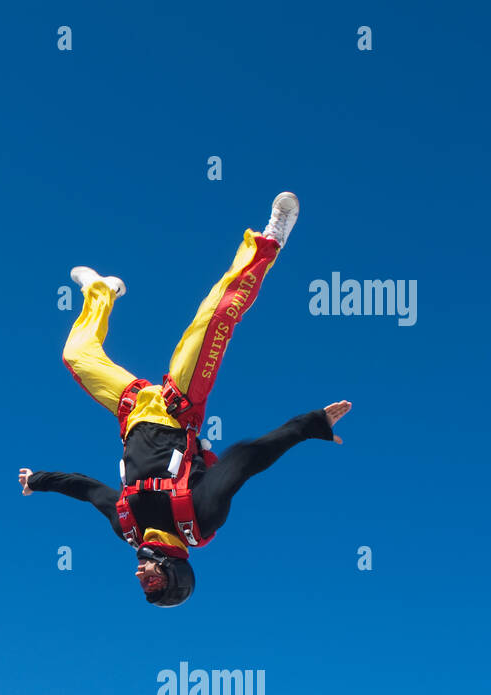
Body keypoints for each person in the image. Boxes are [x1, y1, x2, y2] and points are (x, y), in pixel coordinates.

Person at [18, 193, 351, 607]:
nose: (140, 574)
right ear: (174, 573)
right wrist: (308, 425)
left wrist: (38, 481)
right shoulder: (201, 516)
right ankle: (271, 241)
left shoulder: (128, 527)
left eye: (142, 584)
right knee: (213, 319)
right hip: (180, 406)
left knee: (75, 356)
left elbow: (86, 490)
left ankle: (101, 292)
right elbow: (246, 458)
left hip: (133, 408)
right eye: (151, 582)